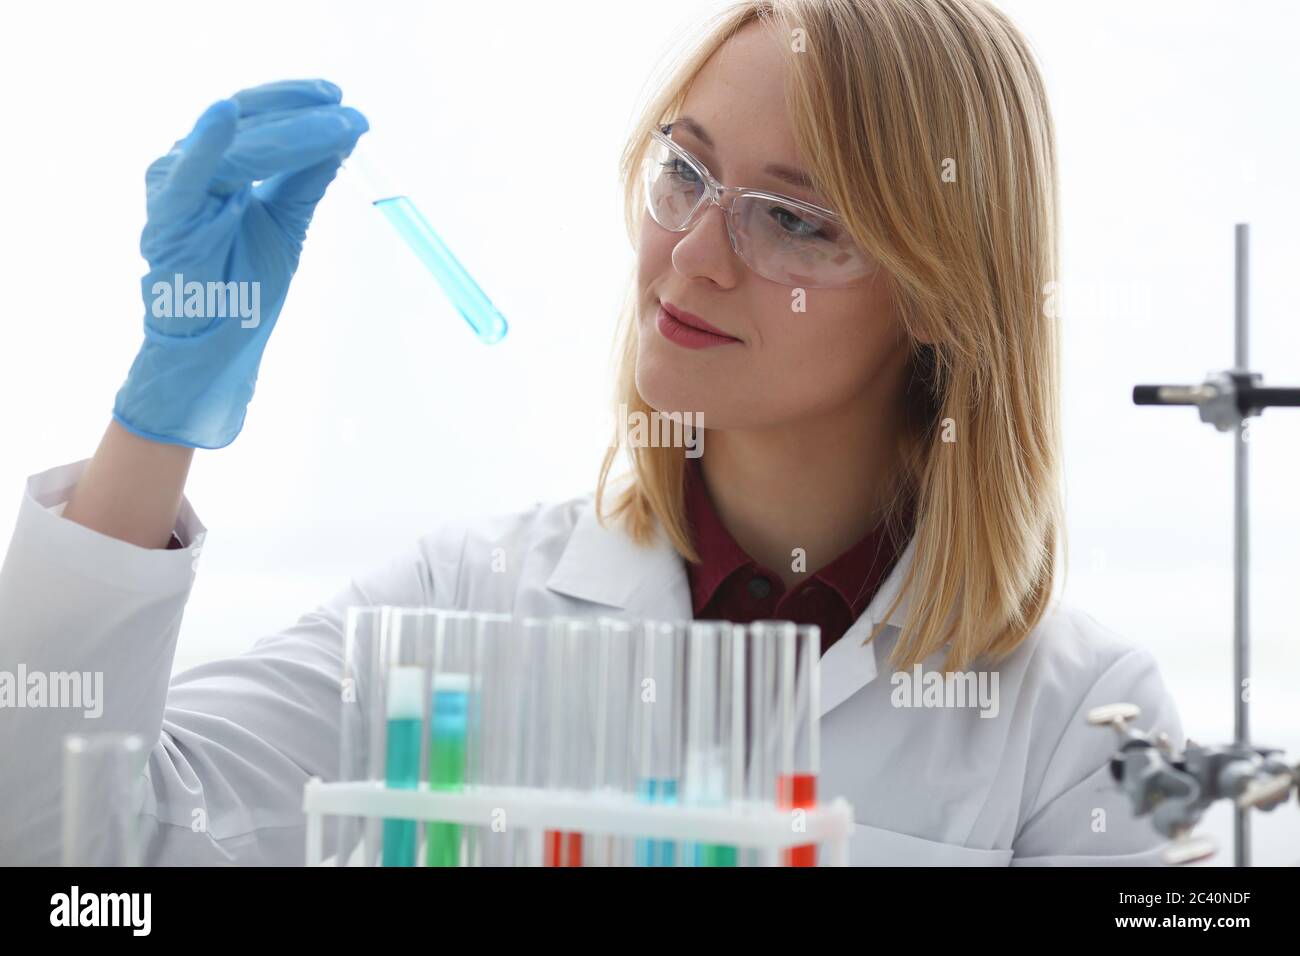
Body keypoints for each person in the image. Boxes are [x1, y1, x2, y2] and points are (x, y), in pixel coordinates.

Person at [0, 0, 1182, 866]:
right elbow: (70, 845)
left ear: (937, 296)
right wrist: (159, 416)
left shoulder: (1075, 723)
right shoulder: (458, 605)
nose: (695, 253)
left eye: (790, 219)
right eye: (686, 172)